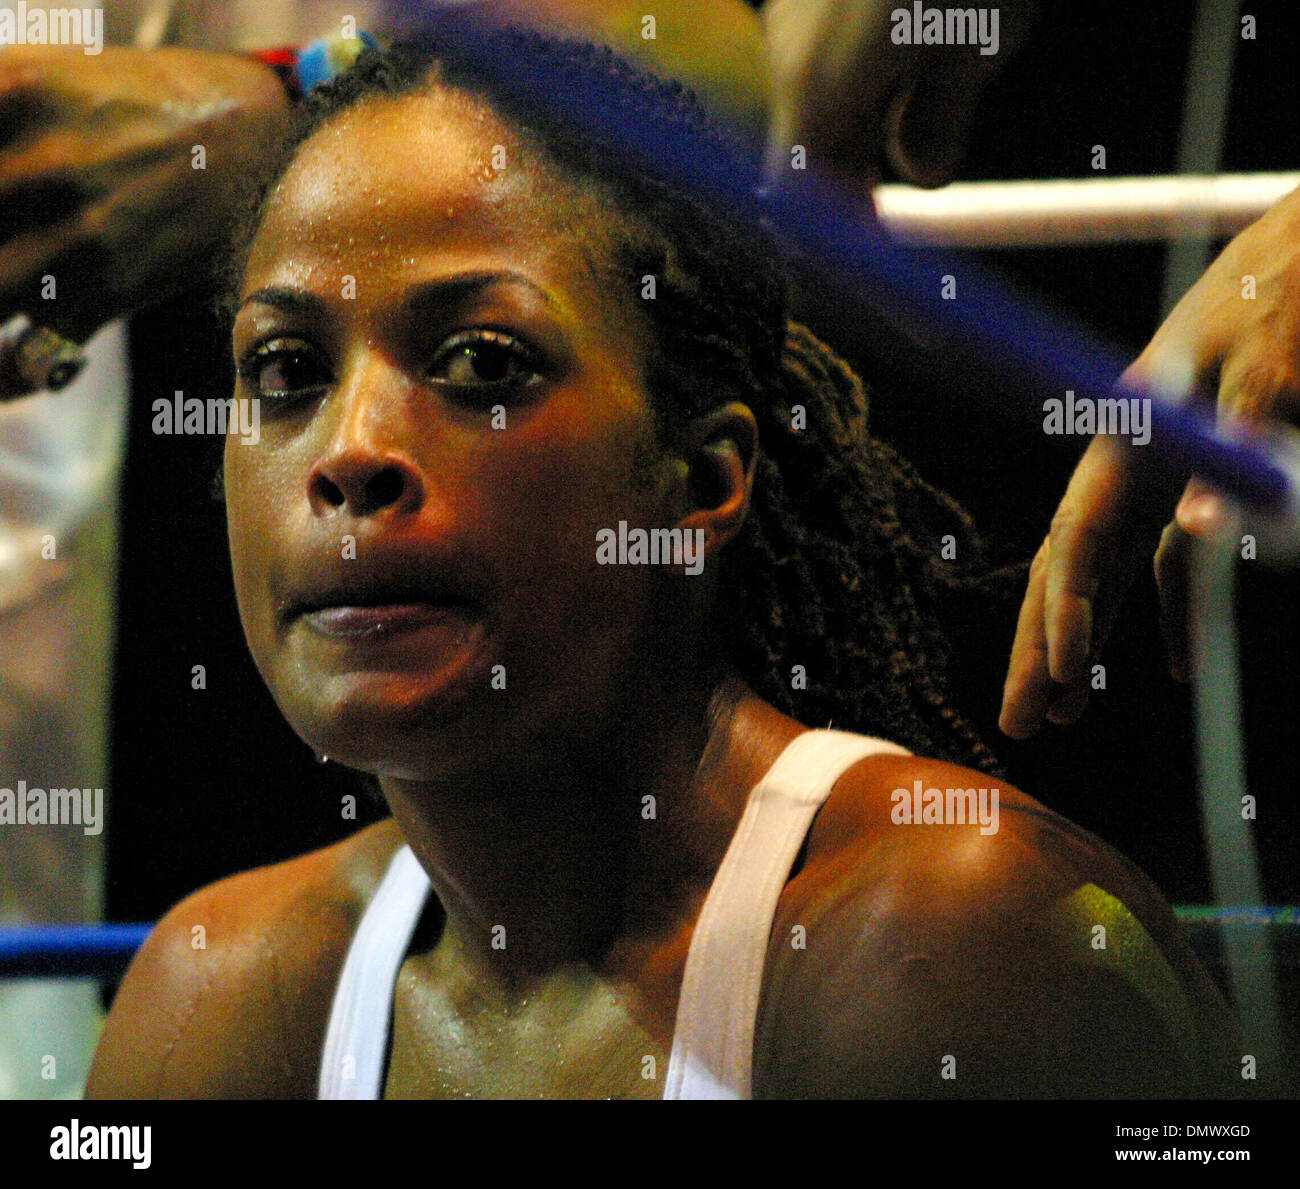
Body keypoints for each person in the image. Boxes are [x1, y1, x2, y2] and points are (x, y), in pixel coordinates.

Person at [82, 29, 1235, 1099]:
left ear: (702, 480)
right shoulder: (221, 996)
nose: (350, 452)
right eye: (286, 371)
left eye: (481, 362)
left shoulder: (947, 944)